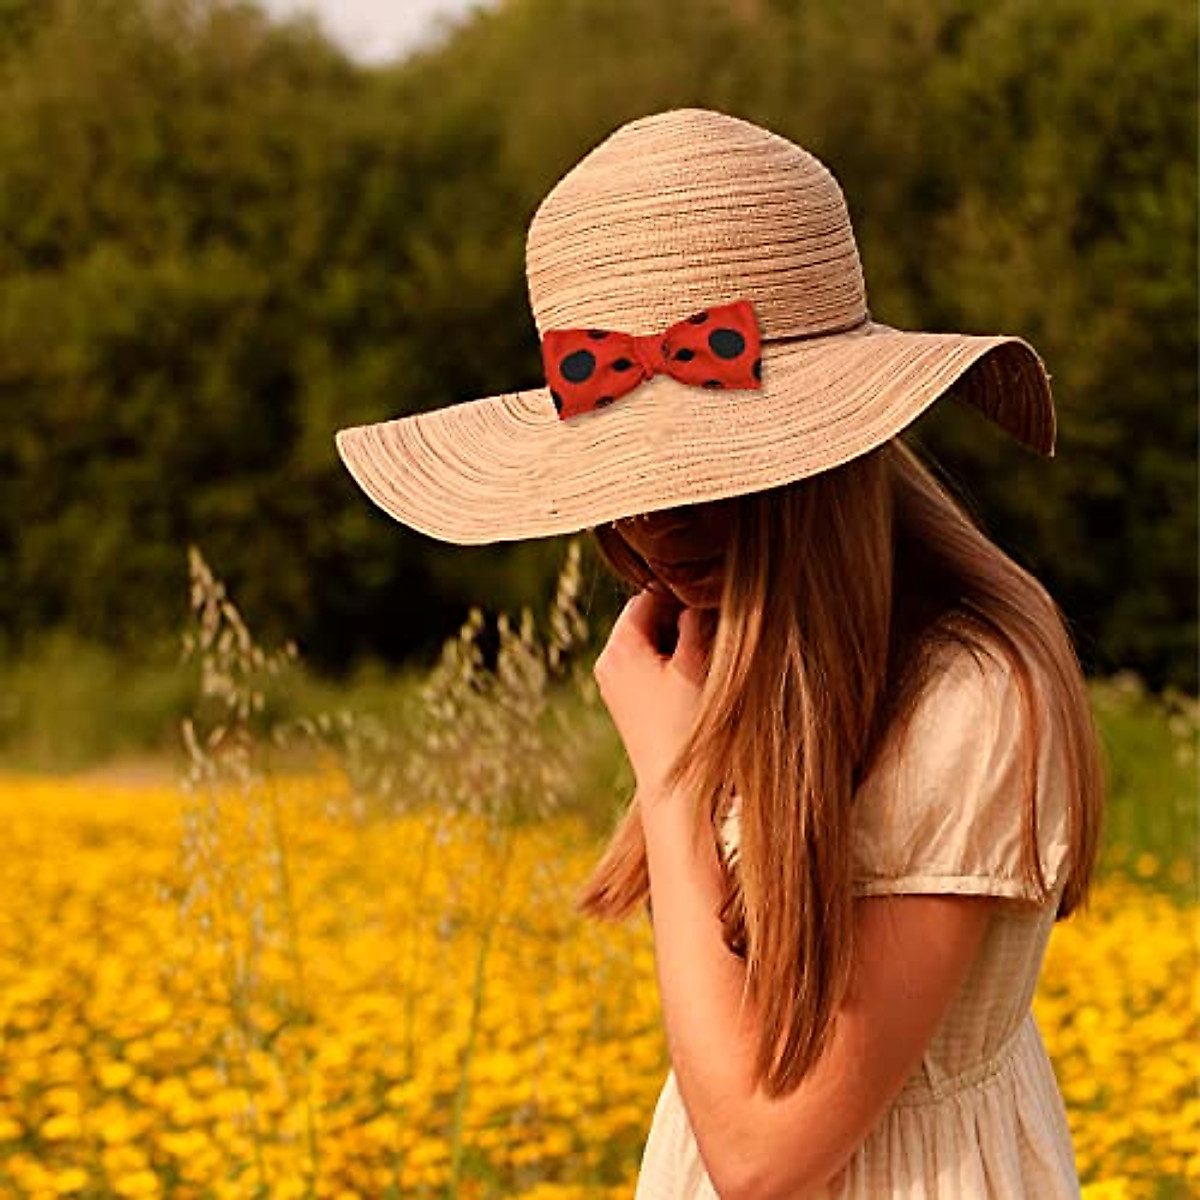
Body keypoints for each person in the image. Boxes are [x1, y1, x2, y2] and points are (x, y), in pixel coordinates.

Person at [335, 108, 1104, 1199]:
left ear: (827, 461)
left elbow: (765, 1153)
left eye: (708, 475)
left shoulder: (969, 696)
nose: (655, 522)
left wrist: (669, 777)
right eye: (623, 479)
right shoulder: (737, 654)